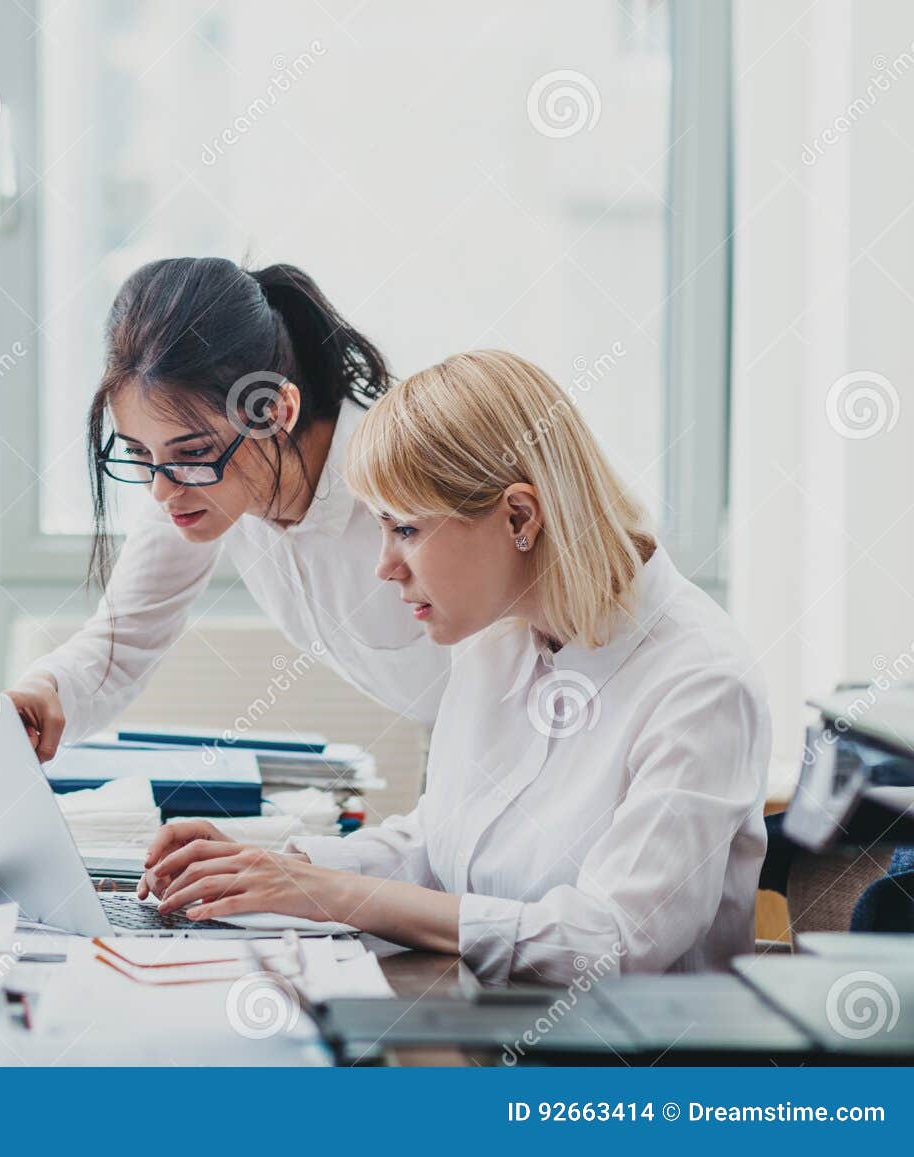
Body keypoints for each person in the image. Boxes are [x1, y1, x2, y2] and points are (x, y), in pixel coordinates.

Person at [139, 350, 769, 984]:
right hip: (482, 1016)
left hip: (624, 1046)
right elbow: (438, 844)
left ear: (519, 517)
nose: (384, 567)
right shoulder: (500, 633)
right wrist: (276, 868)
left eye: (406, 530)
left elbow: (610, 941)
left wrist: (336, 894)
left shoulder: (700, 683)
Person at [7, 257, 449, 759]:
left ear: (275, 412)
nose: (161, 492)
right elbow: (123, 640)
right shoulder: (194, 487)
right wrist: (45, 688)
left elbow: (510, 654)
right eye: (139, 453)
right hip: (452, 745)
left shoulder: (407, 482)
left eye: (193, 451)